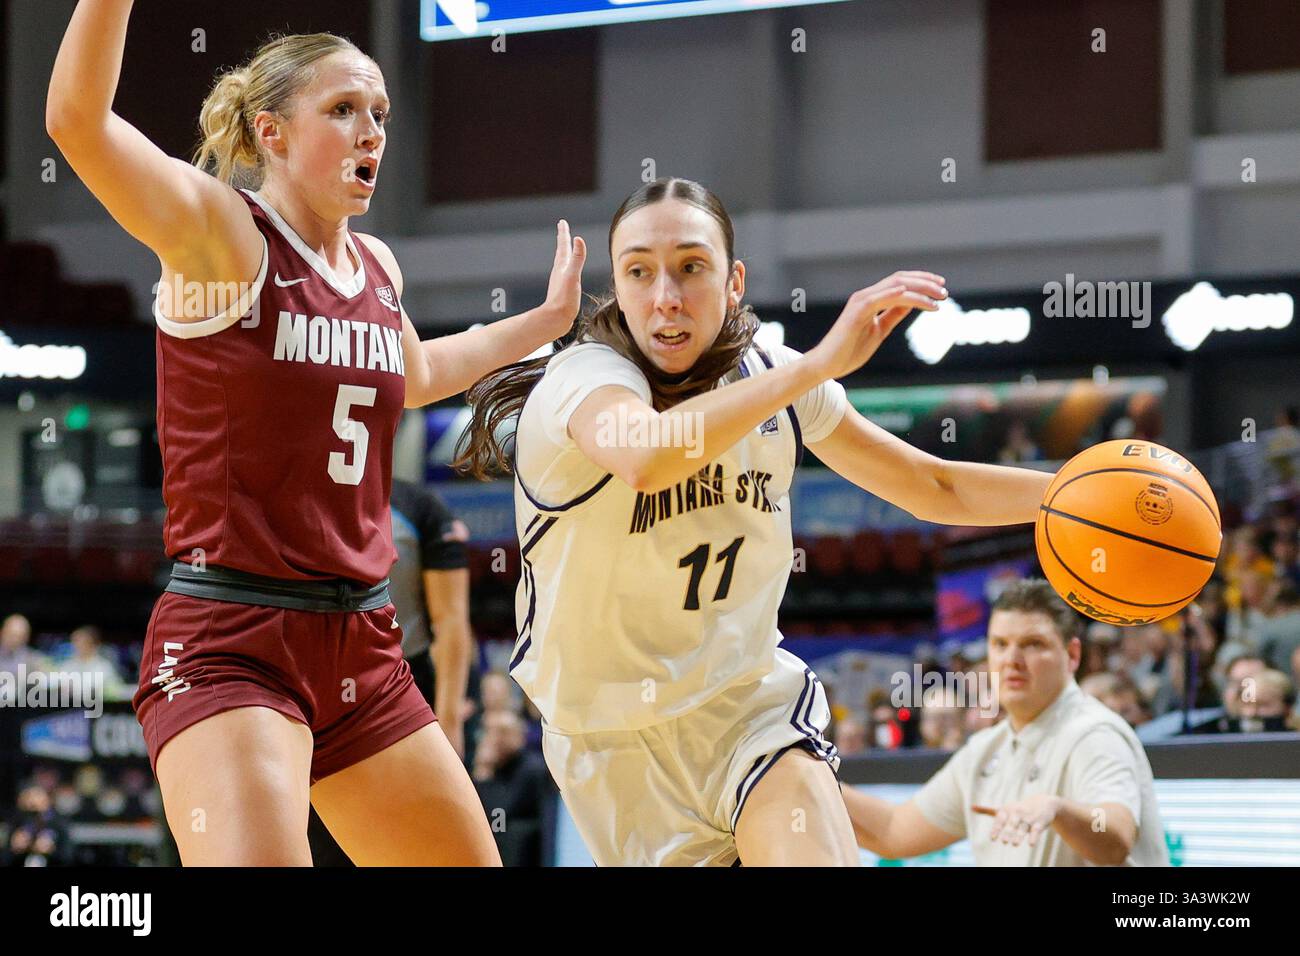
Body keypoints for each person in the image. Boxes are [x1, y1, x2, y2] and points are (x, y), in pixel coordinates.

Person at [47, 4, 587, 864]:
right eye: (341, 110)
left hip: (363, 645)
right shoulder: (222, 234)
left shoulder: (376, 267)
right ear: (273, 134)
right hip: (232, 640)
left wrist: (544, 321)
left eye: (377, 113)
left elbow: (416, 376)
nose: (369, 129)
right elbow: (76, 123)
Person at [456, 177, 1056, 866]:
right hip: (605, 743)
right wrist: (819, 367)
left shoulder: (775, 375)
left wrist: (1073, 495)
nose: (665, 297)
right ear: (617, 287)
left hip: (747, 711)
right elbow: (647, 454)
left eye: (691, 266)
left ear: (733, 280)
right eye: (639, 272)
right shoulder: (583, 378)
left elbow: (931, 484)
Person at [841, 579, 1169, 866]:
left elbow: (1116, 837)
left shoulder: (1093, 733)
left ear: (1072, 655)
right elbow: (894, 832)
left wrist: (1059, 809)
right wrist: (814, 776)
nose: (1011, 660)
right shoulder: (987, 749)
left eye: (1032, 644)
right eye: (1000, 644)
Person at [389, 478, 473, 759]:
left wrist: (448, 722)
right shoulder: (310, 498)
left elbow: (451, 620)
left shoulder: (419, 507)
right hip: (321, 683)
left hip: (408, 682)